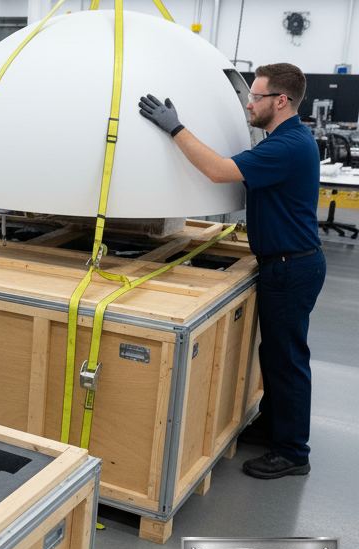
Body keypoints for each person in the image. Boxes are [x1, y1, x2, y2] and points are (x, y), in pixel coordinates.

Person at [139, 63, 325, 480]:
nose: (248, 103)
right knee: (275, 355)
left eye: (255, 97)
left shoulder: (287, 145)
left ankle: (294, 451)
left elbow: (219, 171)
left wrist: (175, 129)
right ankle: (275, 426)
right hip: (287, 263)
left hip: (291, 267)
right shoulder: (285, 140)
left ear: (281, 101)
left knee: (288, 360)